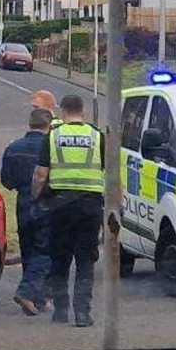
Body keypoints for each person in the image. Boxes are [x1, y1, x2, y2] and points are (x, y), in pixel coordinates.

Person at [32, 94, 104, 328]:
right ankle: (82, 313)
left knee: (60, 259)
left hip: (60, 206)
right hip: (90, 207)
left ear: (62, 112)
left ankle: (61, 310)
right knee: (85, 261)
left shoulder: (53, 136)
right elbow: (112, 174)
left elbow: (40, 175)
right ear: (83, 112)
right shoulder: (97, 136)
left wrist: (36, 198)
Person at [1, 107, 54, 315]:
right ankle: (27, 292)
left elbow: (6, 181)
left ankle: (37, 299)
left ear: (30, 124)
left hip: (22, 202)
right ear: (48, 125)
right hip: (46, 201)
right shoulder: (50, 147)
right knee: (46, 250)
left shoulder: (13, 147)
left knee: (28, 249)